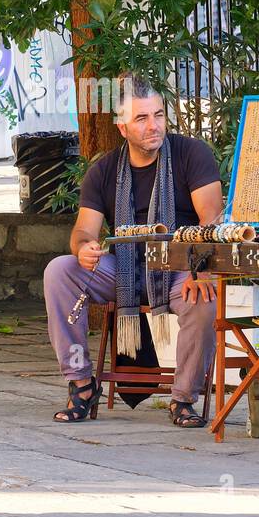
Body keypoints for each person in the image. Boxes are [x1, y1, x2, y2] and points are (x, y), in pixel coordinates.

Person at [43, 74, 224, 427]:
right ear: (123, 128)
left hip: (180, 268)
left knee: (204, 299)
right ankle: (81, 384)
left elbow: (212, 222)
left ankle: (183, 399)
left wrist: (201, 272)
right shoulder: (104, 170)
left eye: (158, 115)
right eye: (142, 118)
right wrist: (84, 249)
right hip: (125, 270)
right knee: (60, 271)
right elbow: (83, 230)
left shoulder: (191, 154)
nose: (153, 125)